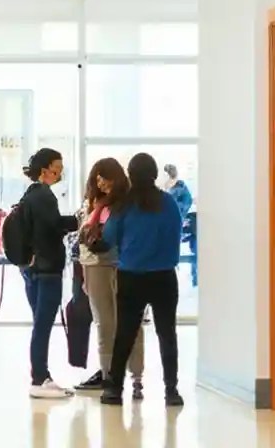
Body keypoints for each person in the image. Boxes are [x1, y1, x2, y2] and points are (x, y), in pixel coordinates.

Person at [101, 153, 185, 407]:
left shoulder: (124, 205)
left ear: (130, 174)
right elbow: (177, 233)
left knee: (125, 332)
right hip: (164, 277)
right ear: (154, 173)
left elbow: (108, 238)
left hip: (131, 277)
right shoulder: (169, 203)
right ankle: (171, 391)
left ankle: (114, 390)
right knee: (167, 333)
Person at [74, 158, 145, 398]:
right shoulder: (92, 205)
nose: (102, 184)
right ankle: (108, 375)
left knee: (129, 323)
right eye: (98, 179)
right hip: (94, 267)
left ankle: (136, 377)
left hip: (121, 265)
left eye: (106, 179)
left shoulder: (126, 204)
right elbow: (84, 243)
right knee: (104, 324)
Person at [20, 147, 79, 399]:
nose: (61, 171)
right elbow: (52, 227)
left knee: (39, 324)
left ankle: (41, 376)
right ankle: (40, 378)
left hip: (32, 269)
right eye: (58, 166)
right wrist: (77, 222)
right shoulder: (44, 196)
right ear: (45, 169)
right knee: (42, 325)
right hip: (47, 270)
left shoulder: (30, 195)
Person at [163, 164, 197, 287]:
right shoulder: (164, 187)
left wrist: (175, 210)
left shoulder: (181, 187)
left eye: (165, 173)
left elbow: (187, 203)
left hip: (176, 222)